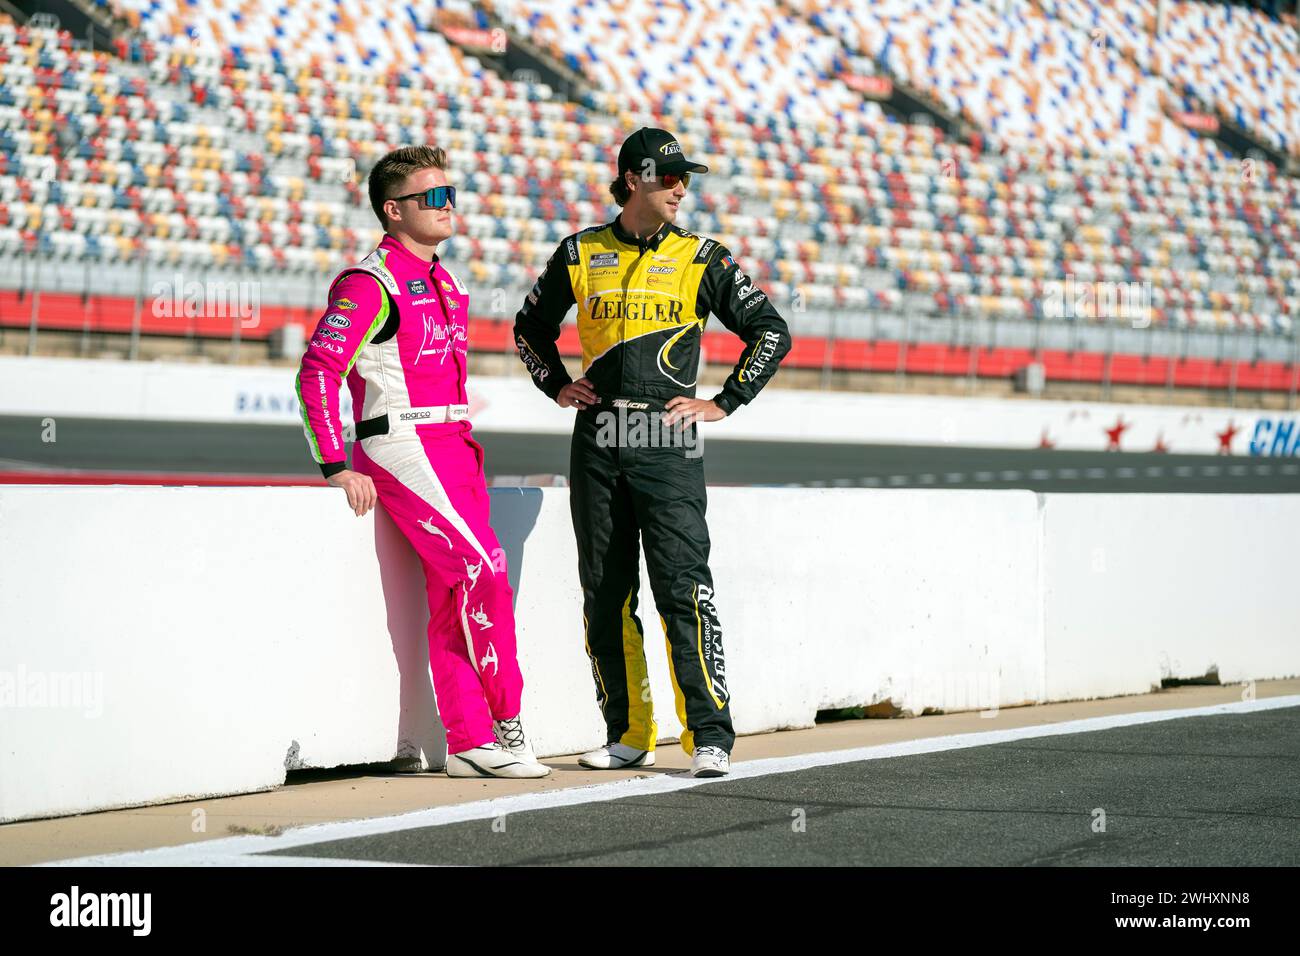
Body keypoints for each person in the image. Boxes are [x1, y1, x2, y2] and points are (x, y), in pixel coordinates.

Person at [512, 127, 791, 777]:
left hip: (668, 444)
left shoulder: (703, 256)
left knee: (681, 587)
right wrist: (555, 383)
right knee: (605, 593)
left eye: (684, 178)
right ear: (636, 177)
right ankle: (628, 731)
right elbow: (529, 328)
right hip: (599, 440)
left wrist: (726, 401)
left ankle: (710, 733)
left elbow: (769, 332)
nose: (681, 189)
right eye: (670, 177)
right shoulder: (579, 252)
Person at [296, 145, 548, 779]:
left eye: (450, 195)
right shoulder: (368, 282)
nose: (447, 207)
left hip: (457, 445)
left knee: (454, 592)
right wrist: (336, 464)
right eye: (432, 198)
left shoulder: (448, 279)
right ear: (393, 210)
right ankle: (503, 724)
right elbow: (319, 372)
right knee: (483, 571)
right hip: (401, 446)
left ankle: (466, 743)